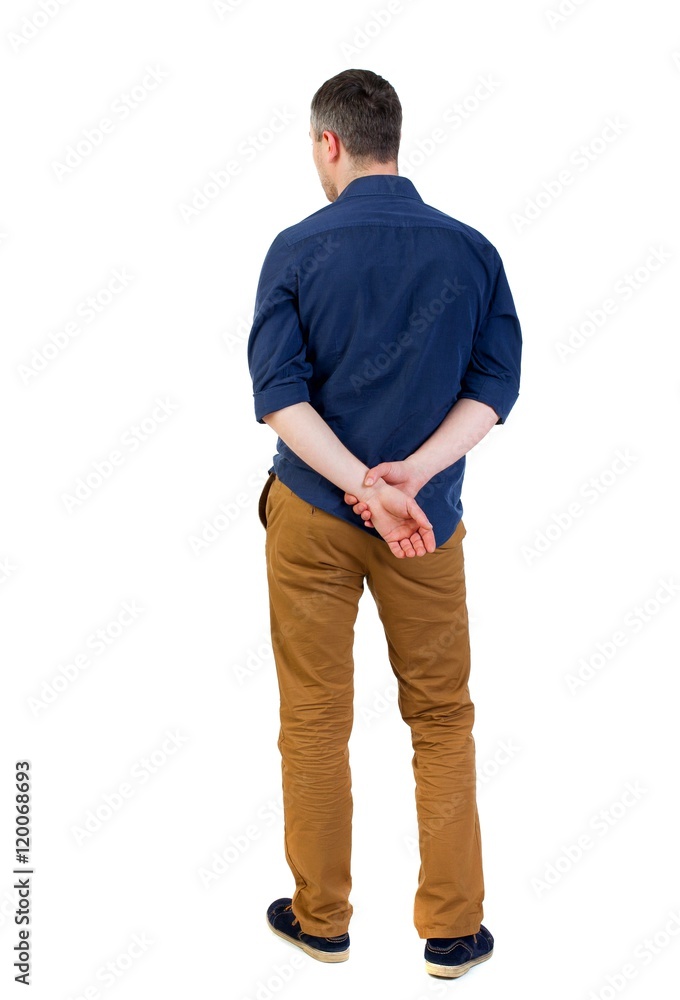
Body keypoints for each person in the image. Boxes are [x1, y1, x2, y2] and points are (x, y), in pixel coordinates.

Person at [247, 68, 521, 978]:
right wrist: (410, 477)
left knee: (316, 720)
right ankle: (452, 932)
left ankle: (321, 919)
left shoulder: (294, 248)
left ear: (330, 143)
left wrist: (360, 481)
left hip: (314, 517)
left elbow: (281, 401)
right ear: (393, 140)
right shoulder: (471, 251)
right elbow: (493, 389)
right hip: (425, 526)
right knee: (442, 718)